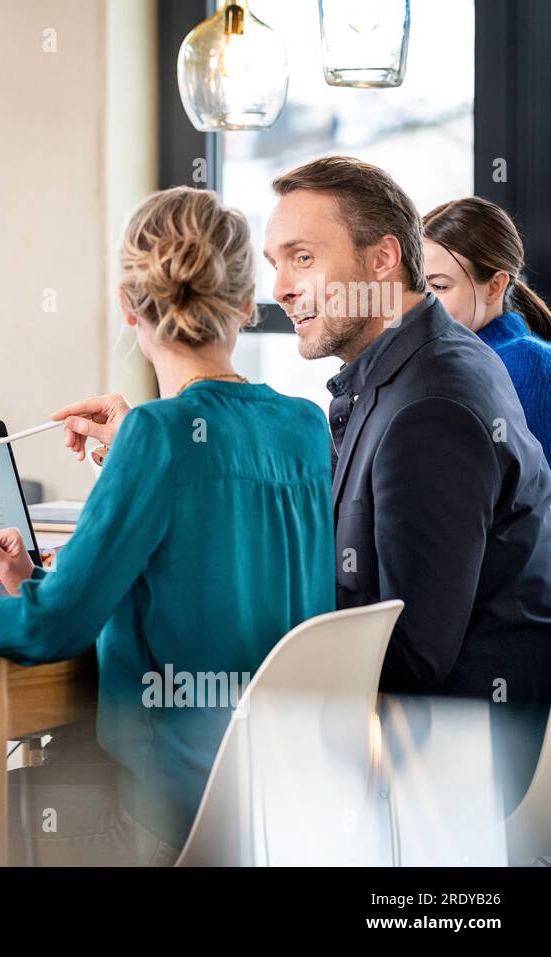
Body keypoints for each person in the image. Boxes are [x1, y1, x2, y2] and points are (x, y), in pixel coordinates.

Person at [0, 186, 335, 865]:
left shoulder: (156, 435)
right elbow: (198, 575)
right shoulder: (304, 425)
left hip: (164, 823)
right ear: (247, 304)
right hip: (275, 814)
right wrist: (35, 576)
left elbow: (49, 627)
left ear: (127, 304)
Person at [263, 156, 551, 705]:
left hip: (456, 756)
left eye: (303, 258)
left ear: (383, 259)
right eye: (274, 264)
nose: (280, 288)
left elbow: (412, 653)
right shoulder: (412, 363)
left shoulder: (430, 402)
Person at [422, 196, 551, 460]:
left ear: (494, 287)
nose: (423, 302)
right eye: (418, 286)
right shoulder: (446, 359)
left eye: (440, 287)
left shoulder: (524, 363)